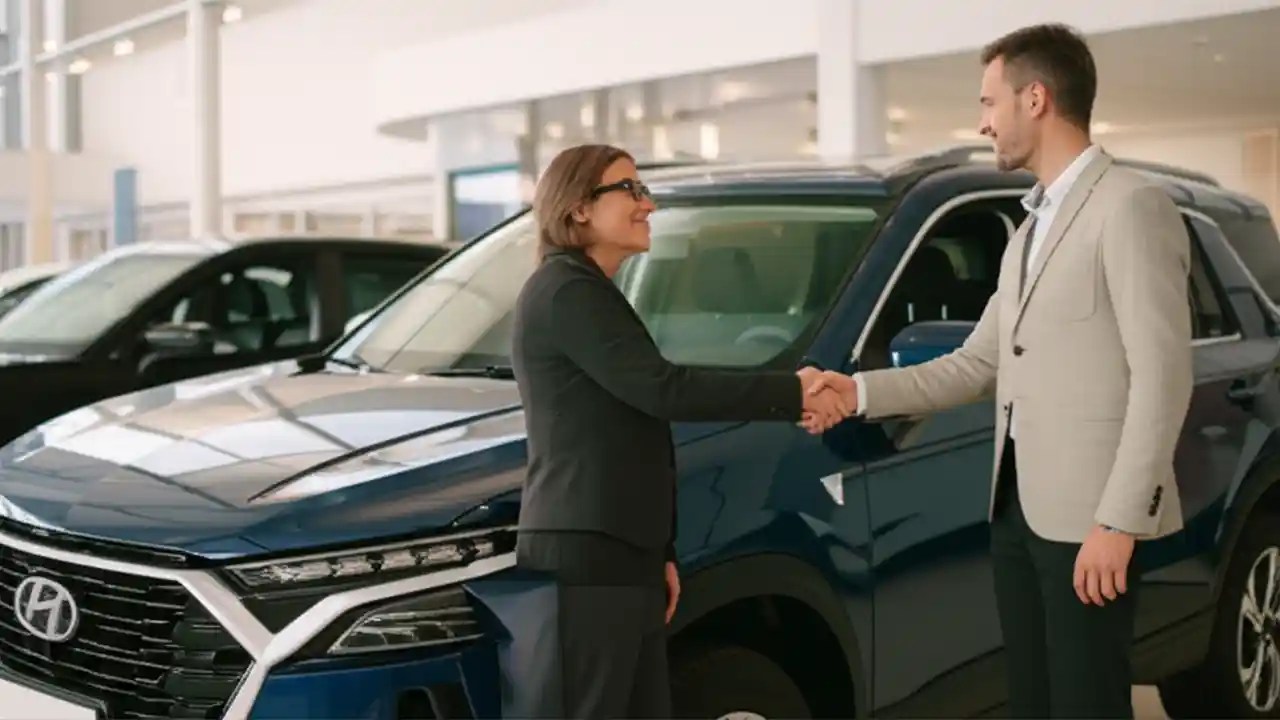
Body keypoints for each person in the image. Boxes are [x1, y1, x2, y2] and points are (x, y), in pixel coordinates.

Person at [803, 23, 1193, 719]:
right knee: (1034, 702)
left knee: (1087, 703)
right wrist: (856, 391)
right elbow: (977, 362)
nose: (983, 122)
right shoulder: (1030, 229)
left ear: (1035, 99)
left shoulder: (1130, 206)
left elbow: (1163, 376)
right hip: (1016, 510)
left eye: (989, 102)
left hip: (1088, 520)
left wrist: (1119, 521)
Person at [508, 143, 846, 718]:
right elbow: (662, 389)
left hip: (621, 551)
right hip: (590, 557)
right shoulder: (567, 291)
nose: (649, 205)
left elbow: (634, 422)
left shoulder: (588, 290)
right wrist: (794, 393)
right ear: (579, 207)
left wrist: (658, 550)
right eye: (630, 190)